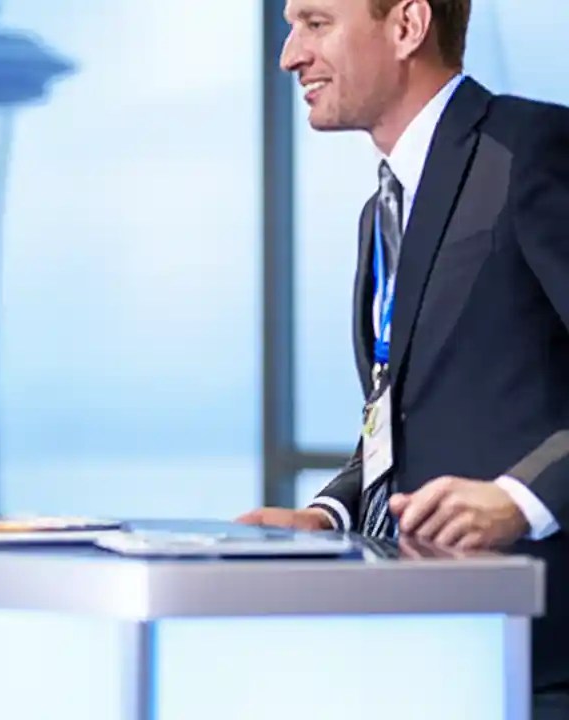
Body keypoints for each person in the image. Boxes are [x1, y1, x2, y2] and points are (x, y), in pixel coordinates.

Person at [236, 0, 569, 714]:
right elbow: (401, 417)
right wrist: (329, 516)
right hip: (430, 657)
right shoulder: (381, 212)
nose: (290, 55)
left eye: (316, 23)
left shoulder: (532, 150)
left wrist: (523, 498)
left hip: (539, 660)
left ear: (408, 26)